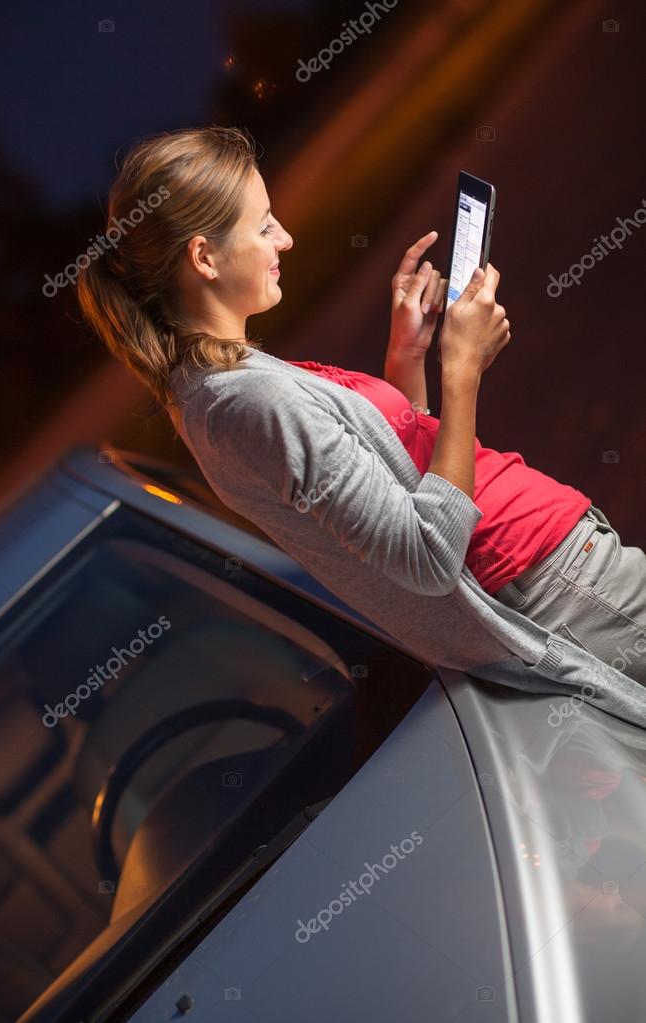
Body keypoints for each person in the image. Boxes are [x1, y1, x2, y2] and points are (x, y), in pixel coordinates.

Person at [76, 125, 646, 727]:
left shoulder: (226, 386)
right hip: (550, 585)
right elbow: (427, 555)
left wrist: (407, 357)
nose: (286, 238)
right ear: (204, 257)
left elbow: (395, 478)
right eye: (264, 226)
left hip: (554, 573)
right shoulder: (243, 402)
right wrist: (461, 371)